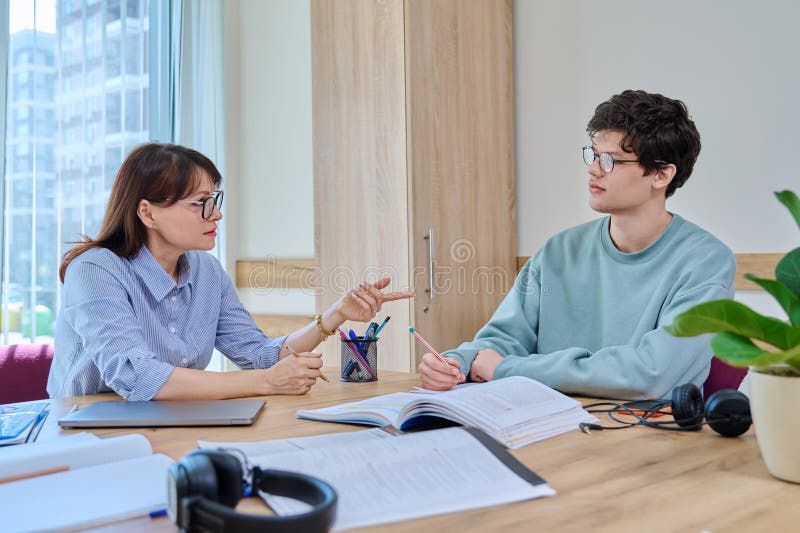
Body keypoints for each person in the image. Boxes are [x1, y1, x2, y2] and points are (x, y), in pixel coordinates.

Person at [419, 90, 735, 399]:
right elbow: (501, 342)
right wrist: (456, 362)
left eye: (610, 160)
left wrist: (509, 369)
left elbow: (650, 373)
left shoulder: (705, 263)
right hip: (545, 422)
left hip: (643, 428)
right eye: (593, 154)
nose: (593, 168)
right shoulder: (558, 251)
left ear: (661, 174)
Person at [48, 143, 414, 401]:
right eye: (200, 204)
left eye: (215, 200)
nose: (216, 214)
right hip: (82, 432)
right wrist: (266, 383)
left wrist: (336, 314)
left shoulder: (206, 271)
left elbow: (258, 355)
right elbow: (136, 376)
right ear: (147, 213)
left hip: (171, 421)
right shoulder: (94, 270)